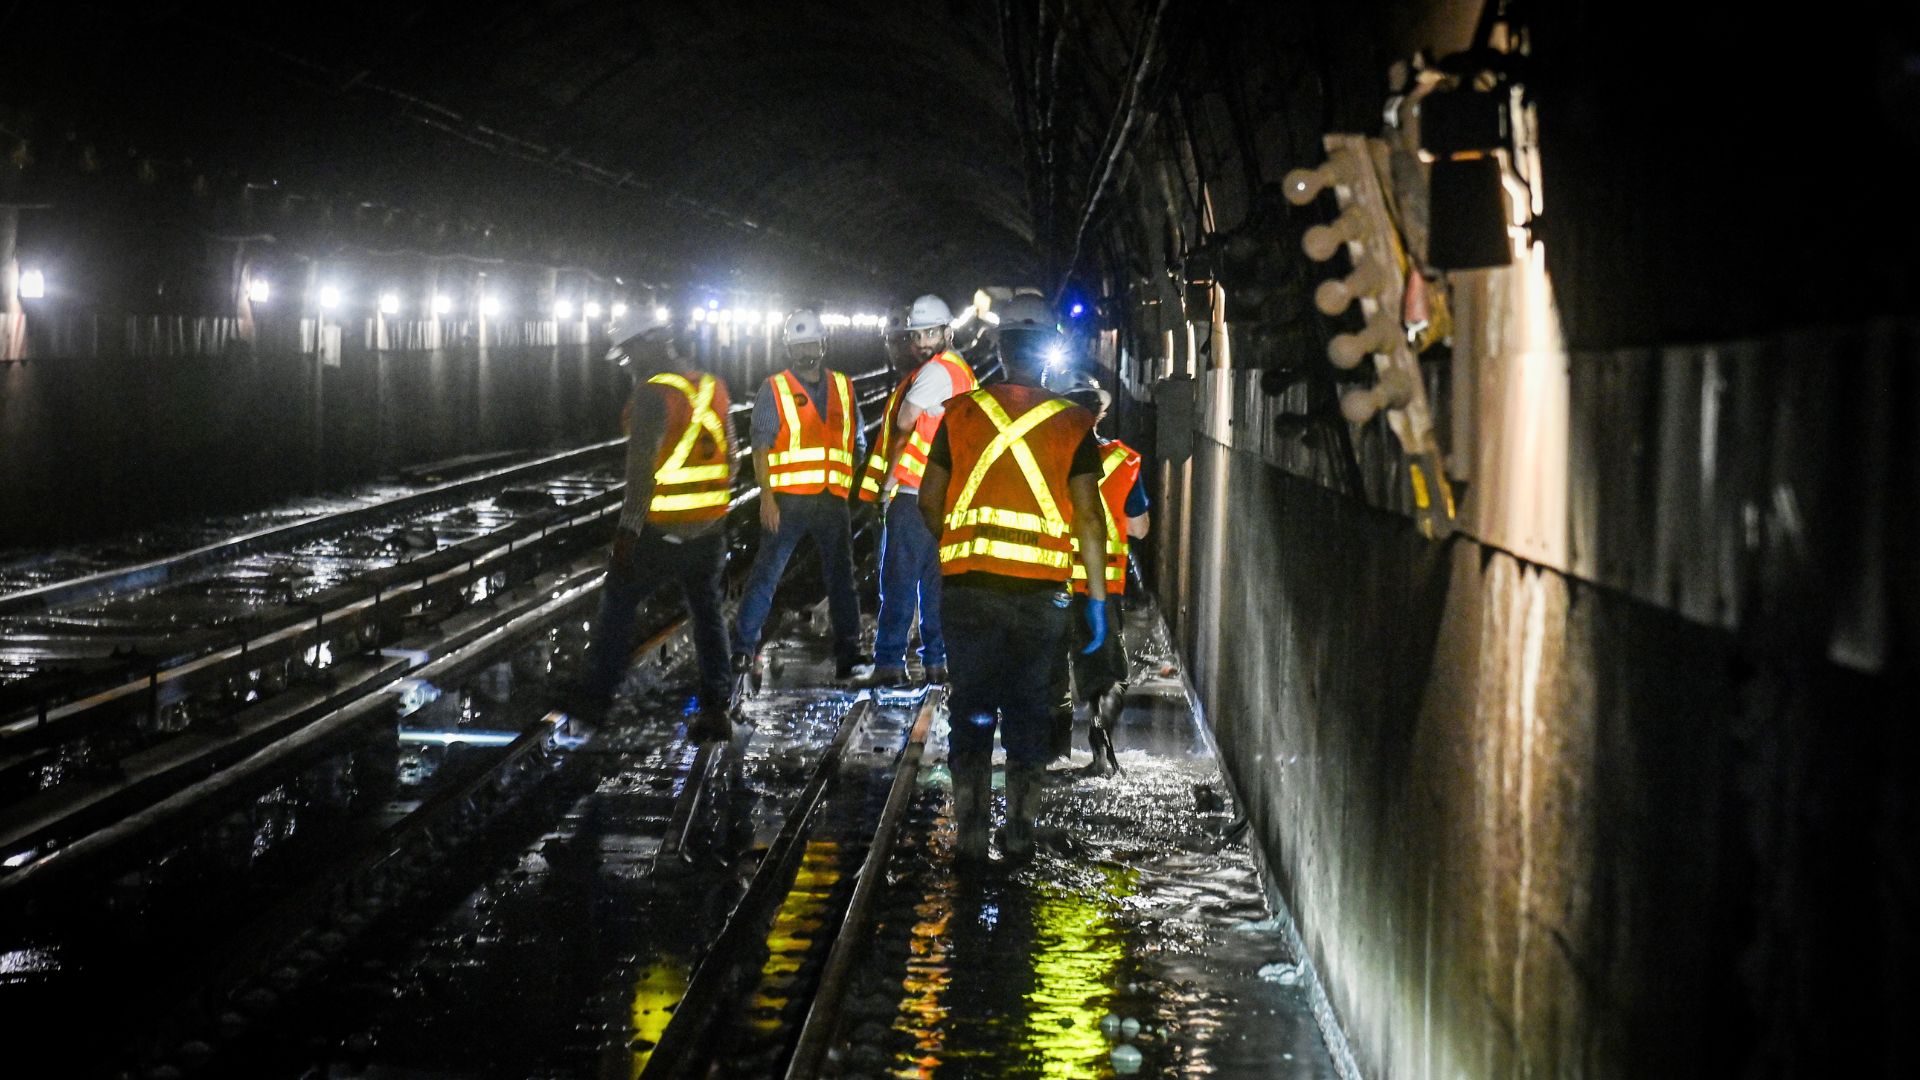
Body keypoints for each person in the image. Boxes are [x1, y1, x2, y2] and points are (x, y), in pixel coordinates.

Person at [916, 294, 1110, 863]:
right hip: (1040, 598)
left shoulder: (959, 413)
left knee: (973, 707)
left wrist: (962, 545)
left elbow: (929, 501)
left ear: (999, 350)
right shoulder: (1075, 423)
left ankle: (971, 829)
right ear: (1049, 355)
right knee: (1029, 710)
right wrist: (1095, 601)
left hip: (970, 590)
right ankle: (1021, 832)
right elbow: (1091, 519)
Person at [575, 314, 737, 742]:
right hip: (710, 531)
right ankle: (717, 706)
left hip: (661, 532)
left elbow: (641, 476)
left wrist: (626, 537)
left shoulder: (651, 396)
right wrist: (710, 511)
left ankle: (596, 697)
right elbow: (733, 461)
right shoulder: (713, 386)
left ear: (650, 345)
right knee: (707, 613)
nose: (627, 364)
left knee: (618, 603)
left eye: (629, 354)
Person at [729, 309, 867, 681]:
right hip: (787, 501)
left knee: (841, 578)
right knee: (766, 574)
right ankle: (742, 649)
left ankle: (849, 653)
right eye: (801, 343)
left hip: (831, 499)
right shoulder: (774, 388)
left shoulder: (843, 385)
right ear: (790, 348)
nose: (809, 348)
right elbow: (760, 447)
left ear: (824, 344)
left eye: (813, 341)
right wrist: (767, 499)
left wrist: (847, 484)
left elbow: (857, 441)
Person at [853, 294, 978, 687]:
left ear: (947, 332)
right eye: (916, 335)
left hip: (914, 492)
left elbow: (906, 420)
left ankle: (890, 663)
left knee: (899, 579)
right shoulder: (962, 371)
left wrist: (889, 483)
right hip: (945, 493)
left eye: (928, 333)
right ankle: (936, 663)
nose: (921, 342)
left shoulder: (936, 372)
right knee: (935, 582)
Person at [1043, 374, 1148, 775]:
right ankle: (1101, 736)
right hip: (1103, 591)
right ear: (1100, 413)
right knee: (1109, 675)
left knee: (1053, 672)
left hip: (1053, 583)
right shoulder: (1125, 460)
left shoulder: (1046, 456)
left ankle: (1052, 755)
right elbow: (1139, 527)